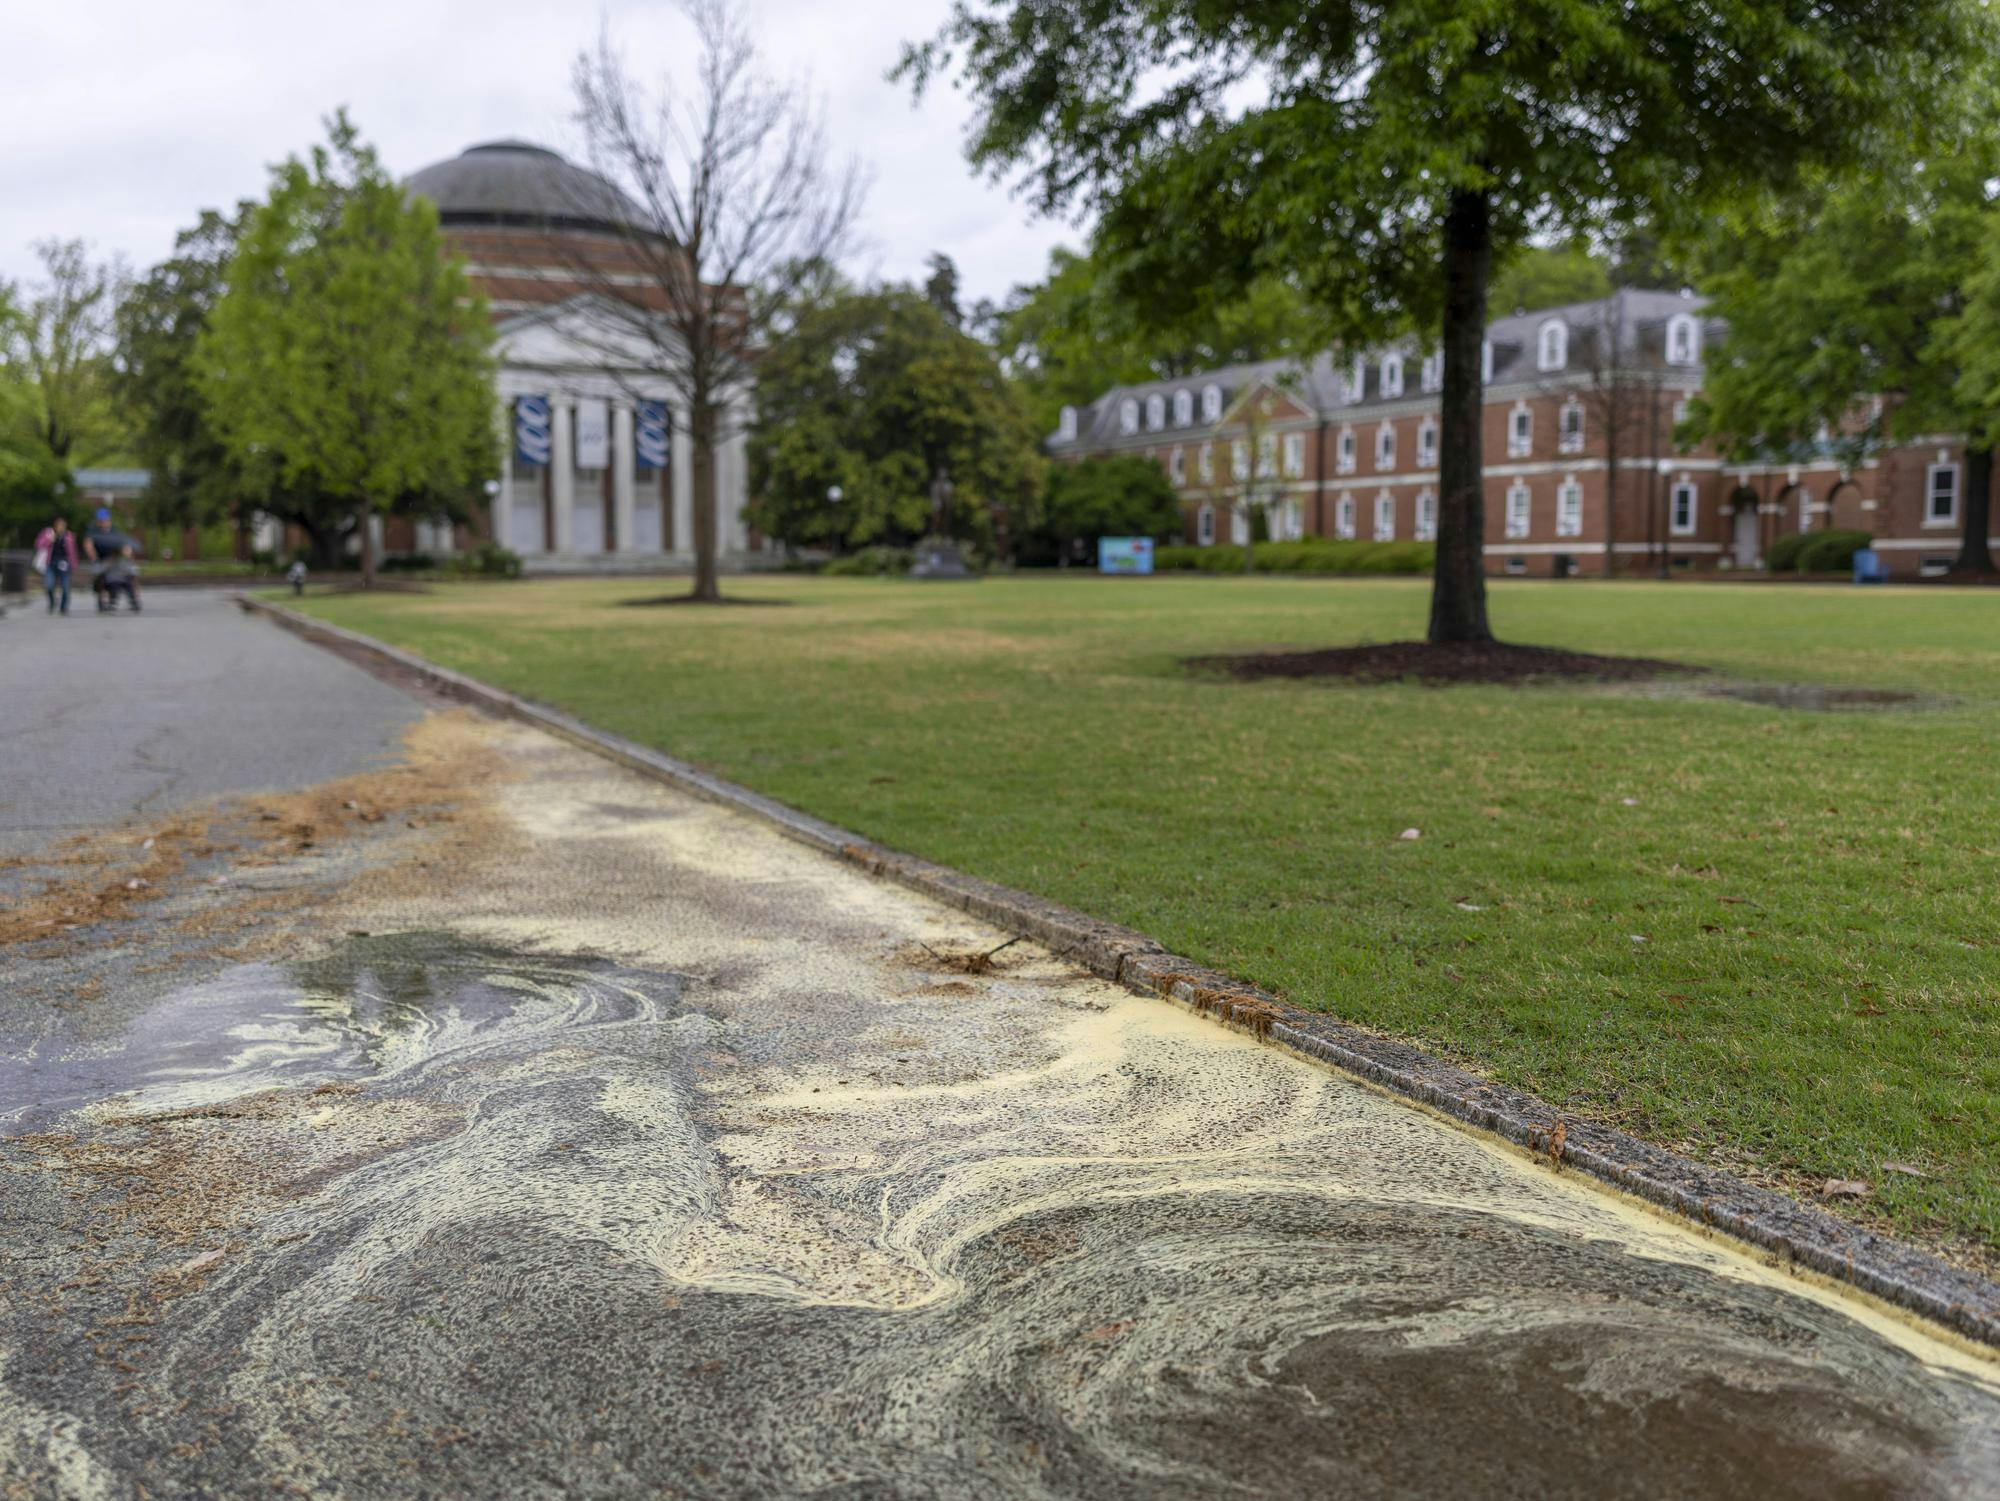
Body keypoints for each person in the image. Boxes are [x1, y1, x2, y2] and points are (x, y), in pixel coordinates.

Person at [82, 508, 137, 612]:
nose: (103, 522)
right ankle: (101, 600)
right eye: (101, 520)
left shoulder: (114, 531)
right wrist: (94, 557)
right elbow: (88, 545)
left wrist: (127, 553)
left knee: (125, 576)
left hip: (114, 559)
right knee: (100, 578)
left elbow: (123, 544)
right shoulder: (93, 531)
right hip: (101, 560)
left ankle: (131, 600)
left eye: (105, 520)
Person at [32, 516, 77, 615]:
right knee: (49, 585)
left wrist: (73, 565)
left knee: (65, 587)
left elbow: (72, 552)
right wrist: (50, 540)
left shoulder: (69, 536)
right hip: (50, 563)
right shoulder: (48, 534)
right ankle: (52, 602)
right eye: (59, 525)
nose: (61, 527)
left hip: (65, 564)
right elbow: (38, 545)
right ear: (55, 526)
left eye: (63, 525)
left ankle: (63, 607)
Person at [100, 546, 142, 613]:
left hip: (121, 579)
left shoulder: (124, 560)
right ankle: (113, 602)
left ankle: (133, 601)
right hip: (113, 580)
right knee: (115, 586)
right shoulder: (108, 560)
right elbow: (103, 570)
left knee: (129, 586)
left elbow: (131, 571)